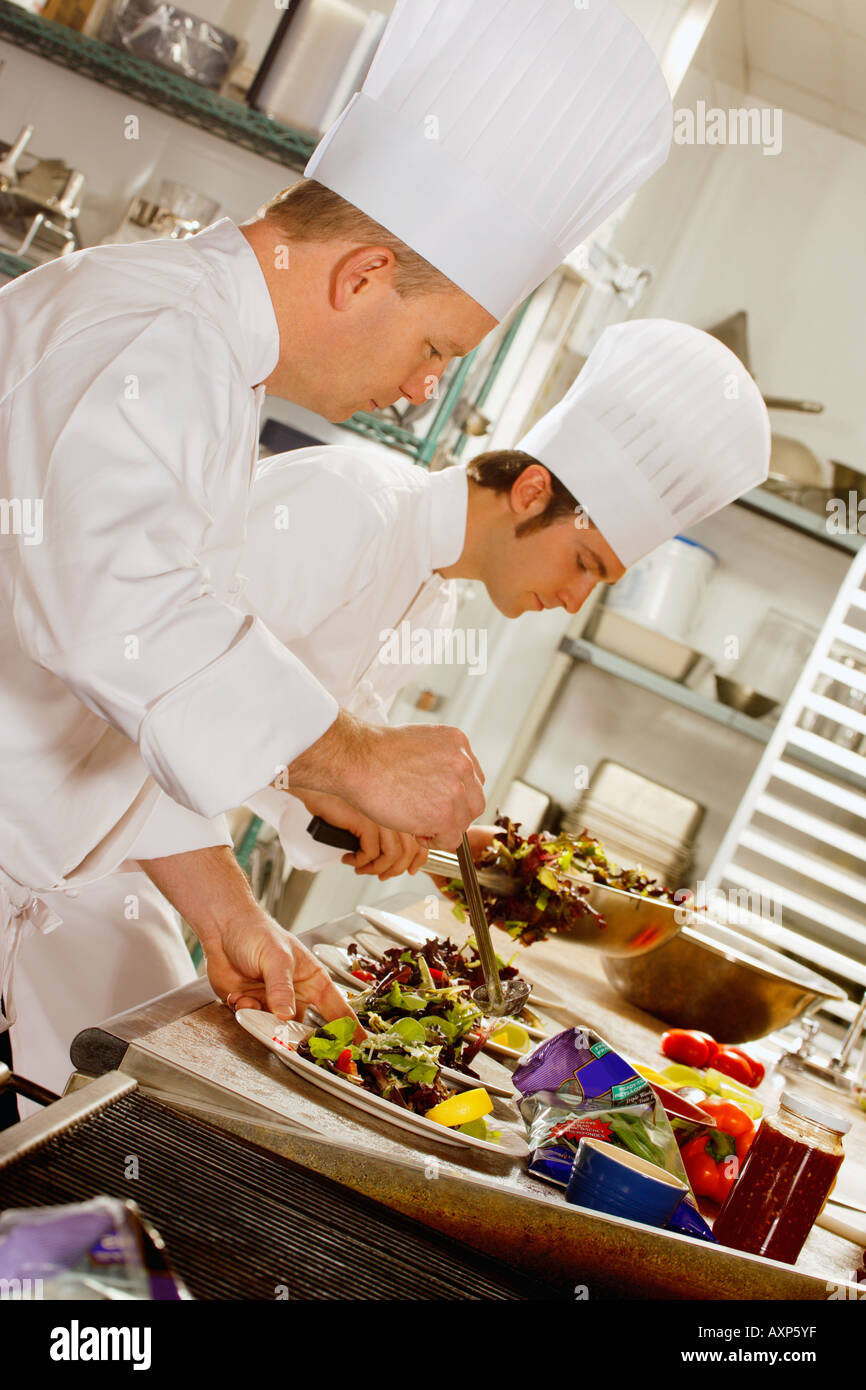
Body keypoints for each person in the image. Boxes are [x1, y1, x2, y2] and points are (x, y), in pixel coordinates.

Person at [0, 0, 674, 1070]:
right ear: (360, 277)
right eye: (434, 349)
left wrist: (232, 911)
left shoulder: (214, 372)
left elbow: (120, 715)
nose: (420, 390)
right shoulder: (154, 336)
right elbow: (116, 619)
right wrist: (350, 756)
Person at [11, 320, 770, 1101]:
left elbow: (289, 757)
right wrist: (246, 895)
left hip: (101, 861)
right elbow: (144, 695)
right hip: (55, 829)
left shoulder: (433, 599)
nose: (575, 599)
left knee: (142, 1096)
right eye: (584, 563)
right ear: (533, 492)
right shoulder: (351, 507)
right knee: (137, 1094)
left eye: (599, 583)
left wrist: (384, 821)